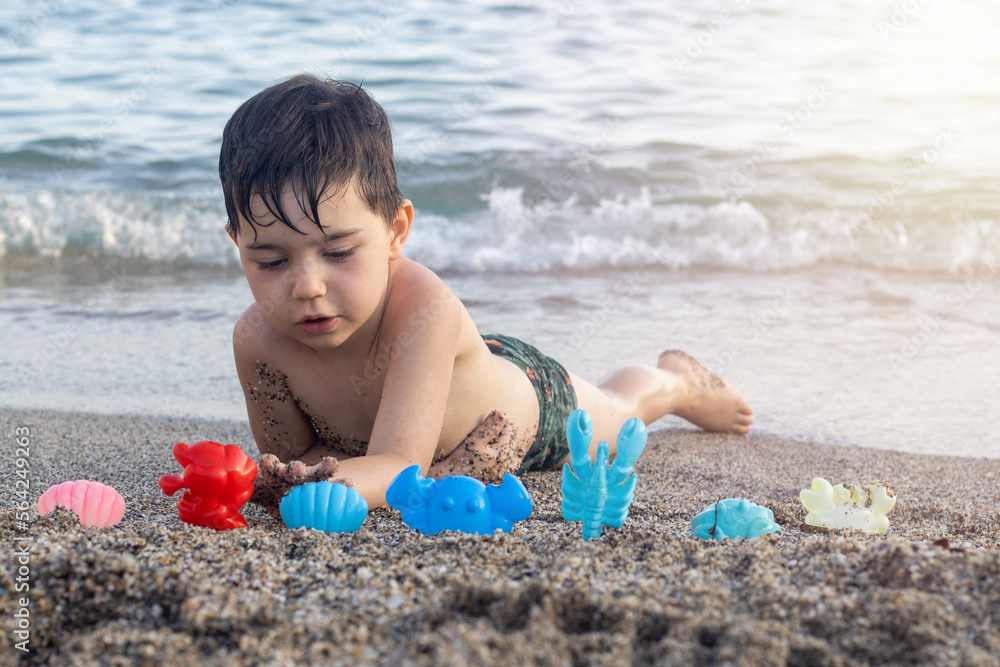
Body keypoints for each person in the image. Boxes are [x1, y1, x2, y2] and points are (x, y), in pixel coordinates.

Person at [219, 74, 754, 514]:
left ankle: (677, 383)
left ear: (395, 233)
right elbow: (294, 462)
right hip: (447, 409)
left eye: (337, 253)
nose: (307, 287)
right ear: (237, 244)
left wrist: (357, 483)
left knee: (618, 415)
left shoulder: (423, 309)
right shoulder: (257, 341)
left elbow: (393, 468)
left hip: (528, 402)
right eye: (270, 261)